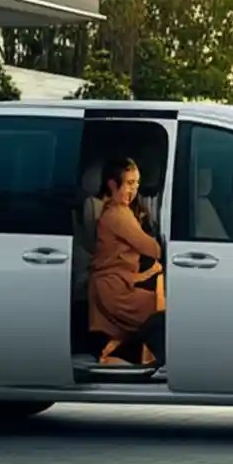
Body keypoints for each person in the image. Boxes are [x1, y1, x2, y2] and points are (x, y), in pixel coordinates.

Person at [88, 157, 167, 366]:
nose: (134, 190)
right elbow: (152, 248)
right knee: (160, 309)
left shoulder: (122, 211)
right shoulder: (117, 214)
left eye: (137, 183)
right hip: (115, 289)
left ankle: (121, 351)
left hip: (122, 281)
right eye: (130, 183)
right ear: (114, 184)